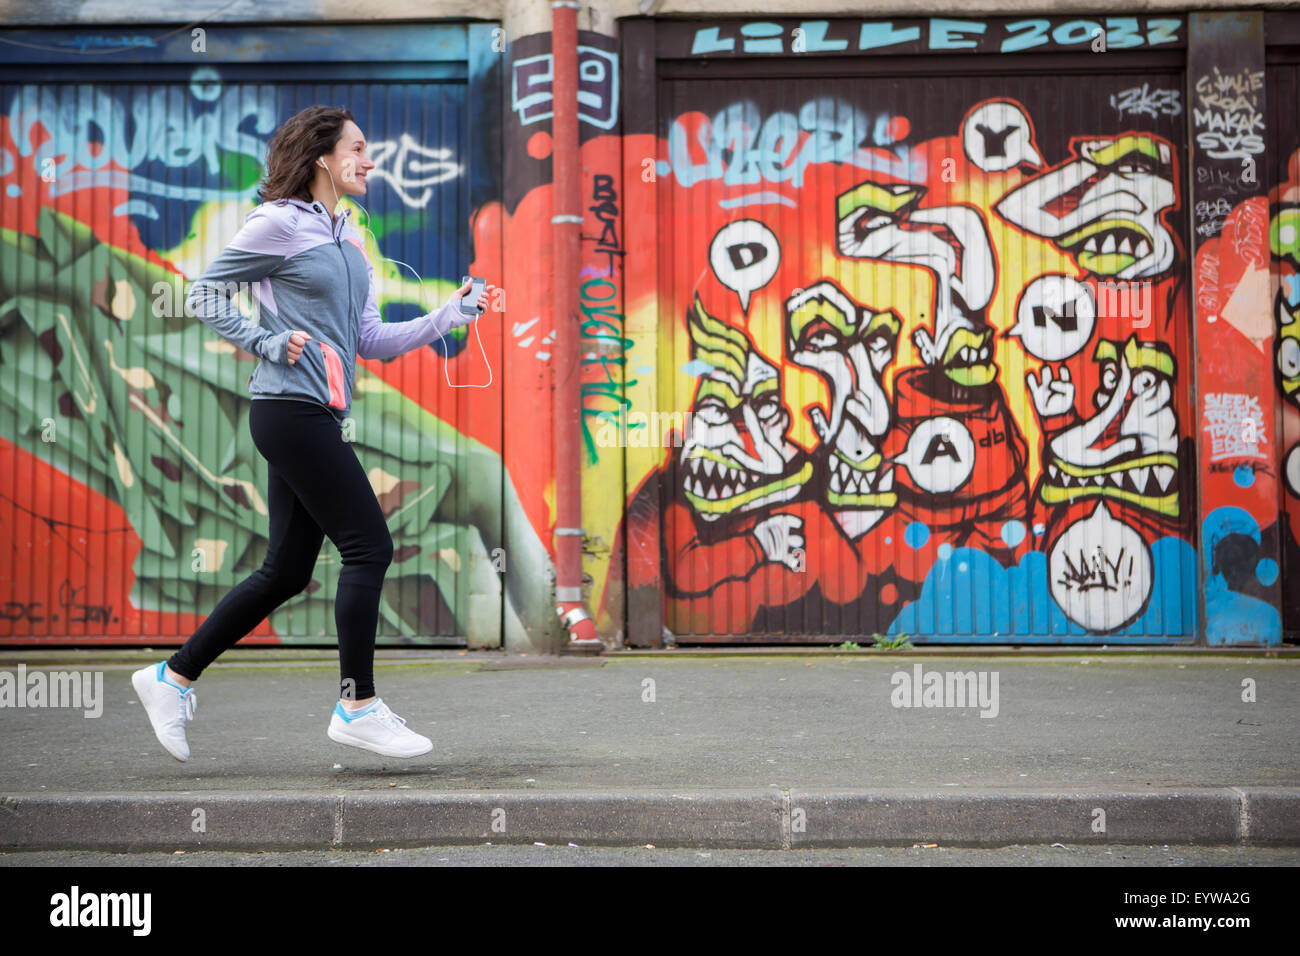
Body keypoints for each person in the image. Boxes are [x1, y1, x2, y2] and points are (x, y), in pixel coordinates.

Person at [131, 105, 487, 762]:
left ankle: (170, 677)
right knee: (368, 546)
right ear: (322, 156)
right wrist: (265, 340)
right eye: (357, 148)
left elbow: (369, 340)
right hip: (286, 410)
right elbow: (206, 293)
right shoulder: (277, 224)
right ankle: (357, 704)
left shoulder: (352, 236)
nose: (369, 161)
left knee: (286, 571)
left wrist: (450, 314)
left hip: (316, 413)